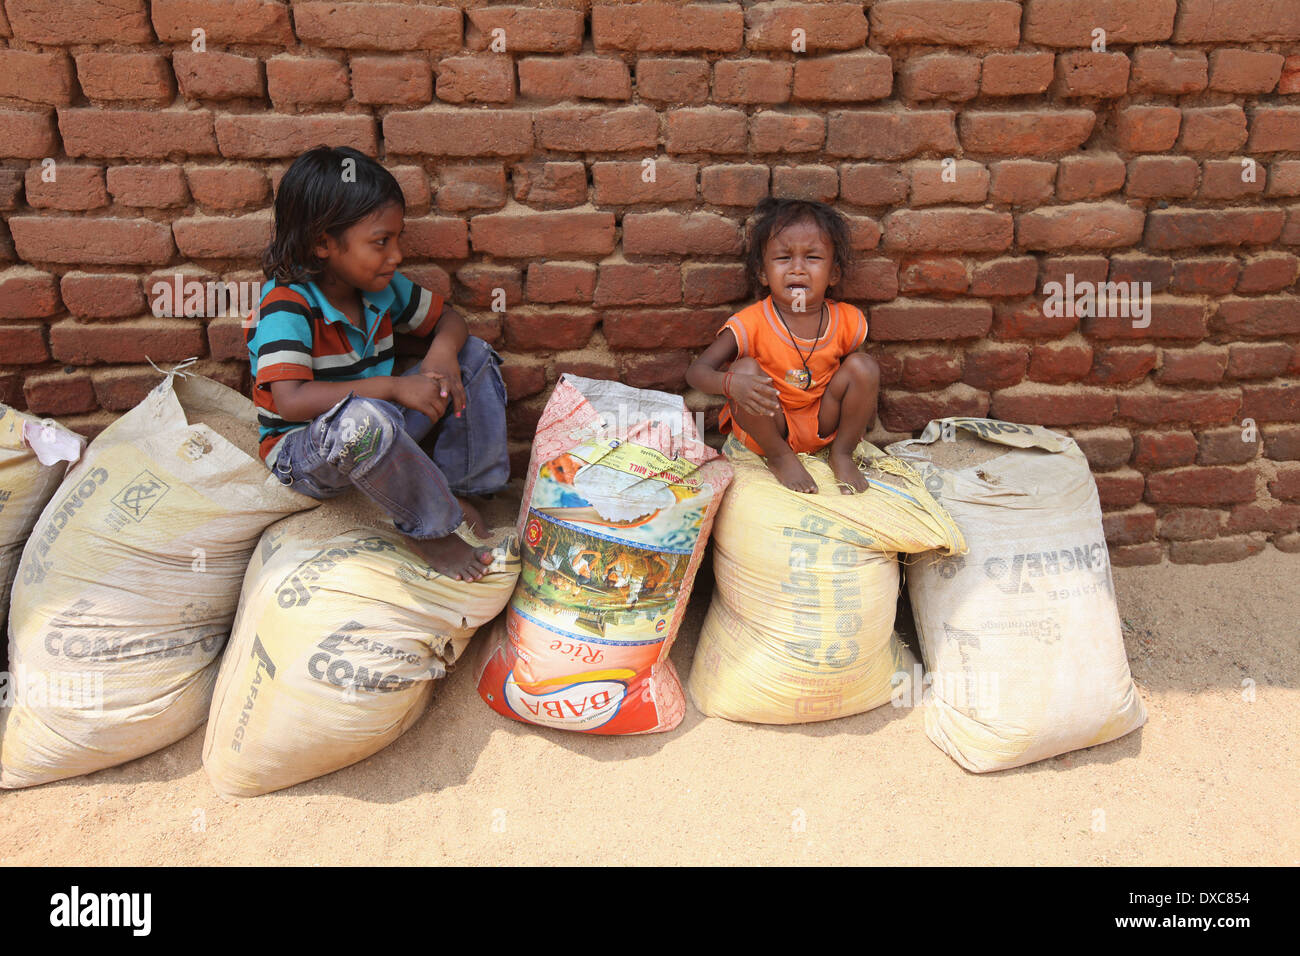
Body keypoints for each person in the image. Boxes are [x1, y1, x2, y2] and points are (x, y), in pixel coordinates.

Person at [246, 145, 509, 581]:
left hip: (382, 424)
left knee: (473, 355)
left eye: (398, 238)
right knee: (361, 420)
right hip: (309, 451)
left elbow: (449, 320)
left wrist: (442, 354)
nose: (398, 255)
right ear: (323, 243)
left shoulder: (381, 289)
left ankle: (462, 490)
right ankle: (431, 530)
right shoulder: (286, 306)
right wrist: (392, 387)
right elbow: (290, 402)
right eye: (381, 242)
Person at [686, 198, 880, 494]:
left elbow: (856, 385)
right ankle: (780, 457)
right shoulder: (750, 323)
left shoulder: (847, 319)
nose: (797, 269)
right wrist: (731, 384)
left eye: (813, 258)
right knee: (745, 369)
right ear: (763, 273)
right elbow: (697, 373)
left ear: (834, 274)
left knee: (863, 367)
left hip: (822, 421)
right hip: (770, 423)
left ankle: (842, 454)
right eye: (783, 258)